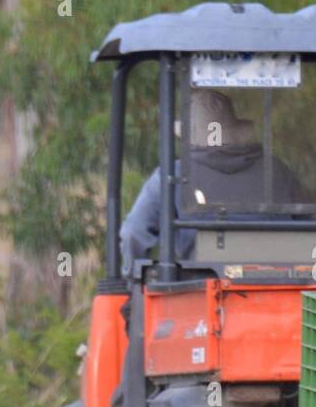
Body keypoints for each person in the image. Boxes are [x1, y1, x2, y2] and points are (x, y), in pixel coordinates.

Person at [120, 88, 303, 272]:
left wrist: (134, 280)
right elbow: (308, 231)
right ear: (235, 130)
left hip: (199, 288)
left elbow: (133, 233)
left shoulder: (170, 174)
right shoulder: (278, 171)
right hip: (276, 286)